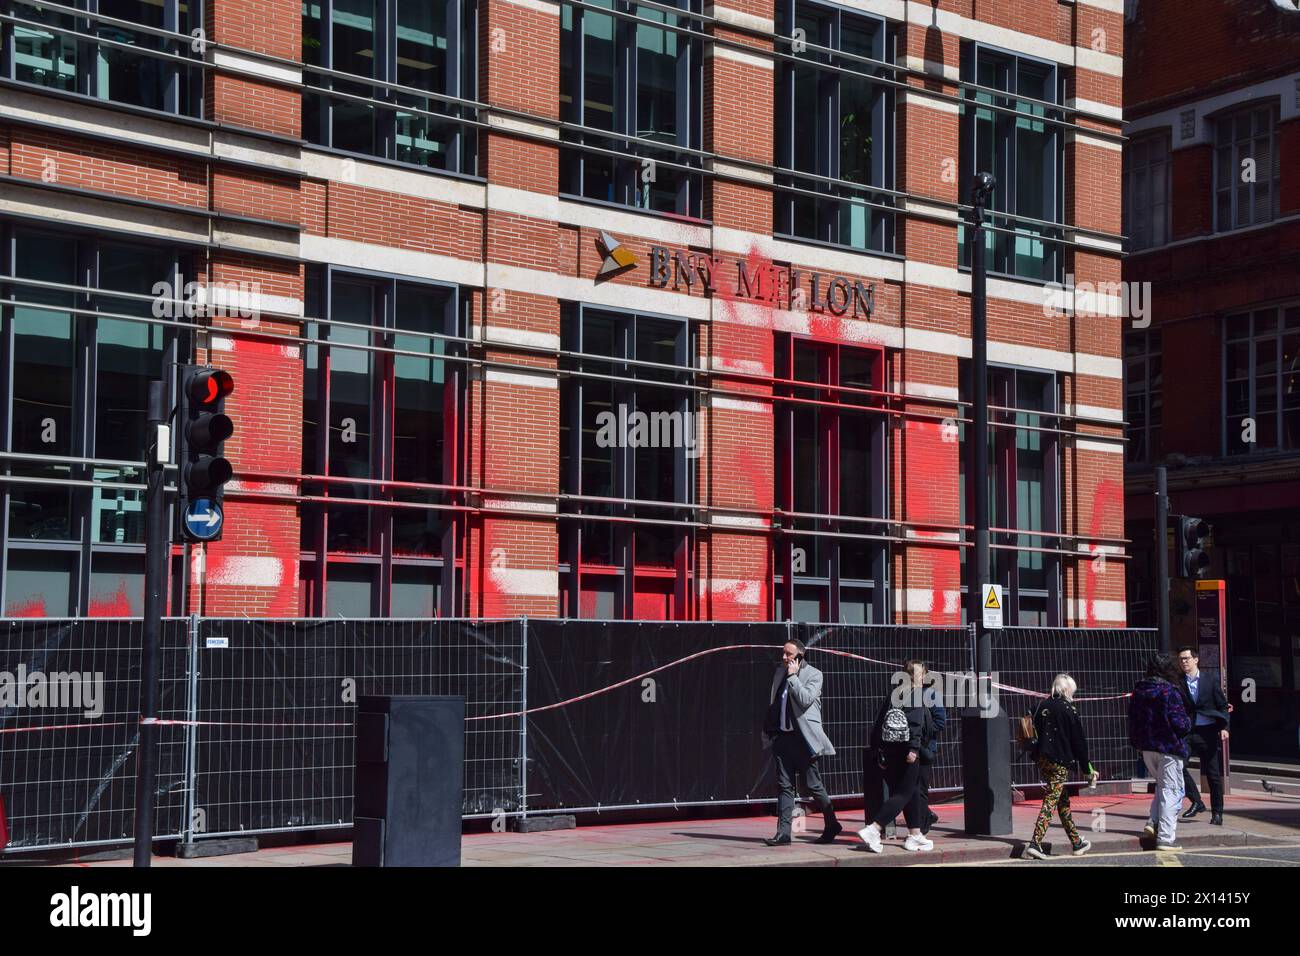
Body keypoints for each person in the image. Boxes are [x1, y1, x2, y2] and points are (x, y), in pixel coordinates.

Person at [762, 639, 842, 846]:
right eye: (783, 653)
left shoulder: (814, 674)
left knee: (814, 786)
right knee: (784, 787)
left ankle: (832, 823)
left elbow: (805, 699)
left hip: (804, 740)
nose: (784, 657)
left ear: (800, 655)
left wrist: (793, 677)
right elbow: (775, 702)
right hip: (782, 738)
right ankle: (784, 833)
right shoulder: (779, 672)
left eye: (788, 654)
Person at [858, 659, 940, 853]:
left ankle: (915, 834)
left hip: (890, 751)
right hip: (907, 752)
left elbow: (879, 722)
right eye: (922, 674)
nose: (925, 677)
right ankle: (874, 829)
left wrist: (878, 749)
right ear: (916, 676)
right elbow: (915, 724)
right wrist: (913, 749)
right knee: (903, 794)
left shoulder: (895, 693)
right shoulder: (916, 694)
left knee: (908, 792)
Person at [1023, 673, 1097, 860]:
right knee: (1050, 801)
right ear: (1065, 689)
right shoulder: (1068, 709)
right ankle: (1035, 843)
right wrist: (1087, 769)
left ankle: (1076, 843)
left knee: (1062, 801)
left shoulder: (1040, 705)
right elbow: (1079, 743)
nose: (1073, 694)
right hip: (1059, 761)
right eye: (1072, 690)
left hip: (1042, 759)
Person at [1129, 653, 1192, 851]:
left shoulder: (1139, 690)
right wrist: (1189, 723)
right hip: (1169, 748)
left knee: (1161, 787)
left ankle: (1152, 822)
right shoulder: (1169, 692)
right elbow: (1181, 724)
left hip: (1147, 748)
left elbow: (1133, 719)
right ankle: (1166, 838)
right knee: (1172, 791)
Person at [1176, 645, 1230, 825]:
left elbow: (1223, 706)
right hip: (1188, 732)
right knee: (1178, 767)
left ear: (1196, 660)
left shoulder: (1210, 680)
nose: (1184, 662)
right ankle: (1197, 801)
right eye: (1181, 659)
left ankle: (1217, 813)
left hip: (1207, 732)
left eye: (1187, 658)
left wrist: (1225, 728)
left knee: (1213, 774)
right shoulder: (1179, 682)